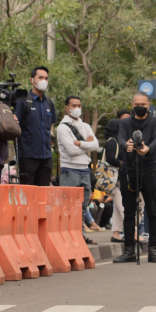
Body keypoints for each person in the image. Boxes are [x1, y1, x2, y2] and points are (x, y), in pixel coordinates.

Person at [113, 90, 156, 263]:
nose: (140, 107)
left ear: (148, 105)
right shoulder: (126, 122)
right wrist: (126, 145)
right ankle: (129, 250)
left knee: (153, 210)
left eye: (143, 104)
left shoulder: (155, 121)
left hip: (149, 169)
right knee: (129, 211)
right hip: (129, 169)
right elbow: (120, 139)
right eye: (137, 105)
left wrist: (148, 148)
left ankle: (153, 249)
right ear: (132, 104)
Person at [56, 95, 99, 239]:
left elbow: (96, 146)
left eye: (79, 105)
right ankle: (68, 238)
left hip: (85, 170)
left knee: (82, 208)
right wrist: (87, 144)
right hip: (70, 170)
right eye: (74, 106)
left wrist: (80, 143)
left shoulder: (85, 126)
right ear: (67, 108)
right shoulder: (62, 128)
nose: (77, 108)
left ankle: (80, 237)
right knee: (68, 208)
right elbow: (71, 150)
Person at [14, 66, 57, 187]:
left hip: (46, 156)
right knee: (28, 193)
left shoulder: (49, 102)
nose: (44, 80)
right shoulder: (23, 101)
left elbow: (50, 126)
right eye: (40, 77)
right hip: (27, 156)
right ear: (32, 80)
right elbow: (15, 124)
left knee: (43, 194)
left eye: (46, 78)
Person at [102, 109, 130, 242]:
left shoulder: (116, 141)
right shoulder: (112, 141)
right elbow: (110, 158)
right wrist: (123, 163)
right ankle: (133, 233)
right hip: (115, 180)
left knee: (118, 209)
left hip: (117, 179)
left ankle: (116, 234)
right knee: (124, 207)